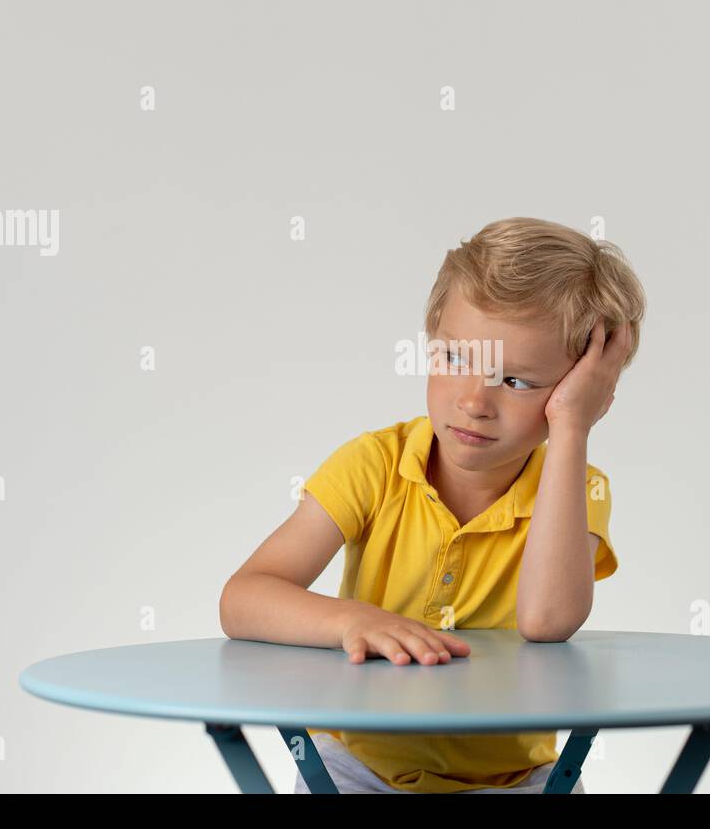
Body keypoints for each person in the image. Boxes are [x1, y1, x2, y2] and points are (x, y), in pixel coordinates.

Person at [219, 217, 646, 793]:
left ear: (578, 388)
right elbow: (243, 598)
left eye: (516, 381)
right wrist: (353, 619)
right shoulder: (374, 464)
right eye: (454, 359)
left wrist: (572, 426)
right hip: (354, 768)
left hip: (515, 780)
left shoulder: (578, 489)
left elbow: (547, 621)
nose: (474, 401)